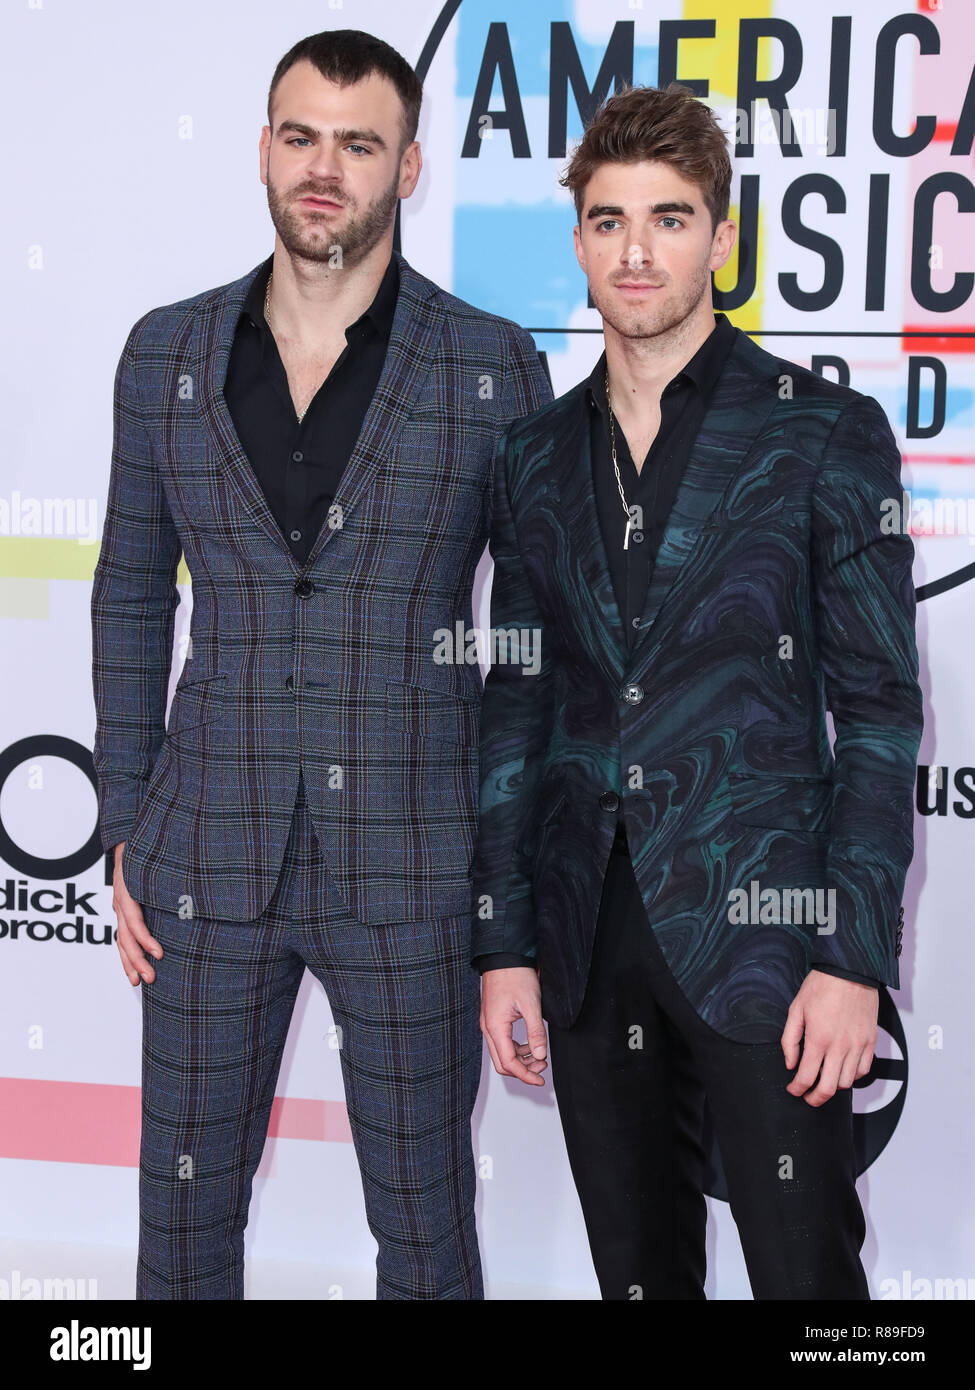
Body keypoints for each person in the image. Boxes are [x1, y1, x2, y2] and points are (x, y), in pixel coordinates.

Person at [91, 27, 551, 1300]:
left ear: (408, 168)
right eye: (302, 136)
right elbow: (131, 593)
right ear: (262, 150)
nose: (324, 167)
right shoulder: (164, 354)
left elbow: (526, 653)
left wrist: (503, 890)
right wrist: (126, 819)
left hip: (414, 866)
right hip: (199, 861)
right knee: (179, 1235)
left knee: (424, 1231)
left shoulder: (493, 368)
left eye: (359, 143)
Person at [473, 82, 922, 1300]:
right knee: (637, 1276)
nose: (636, 249)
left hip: (769, 941)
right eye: (609, 219)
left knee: (808, 1283)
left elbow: (881, 715)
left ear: (721, 240)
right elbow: (515, 706)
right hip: (583, 933)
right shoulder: (529, 459)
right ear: (576, 237)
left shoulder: (823, 432)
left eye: (670, 219)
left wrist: (853, 955)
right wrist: (503, 941)